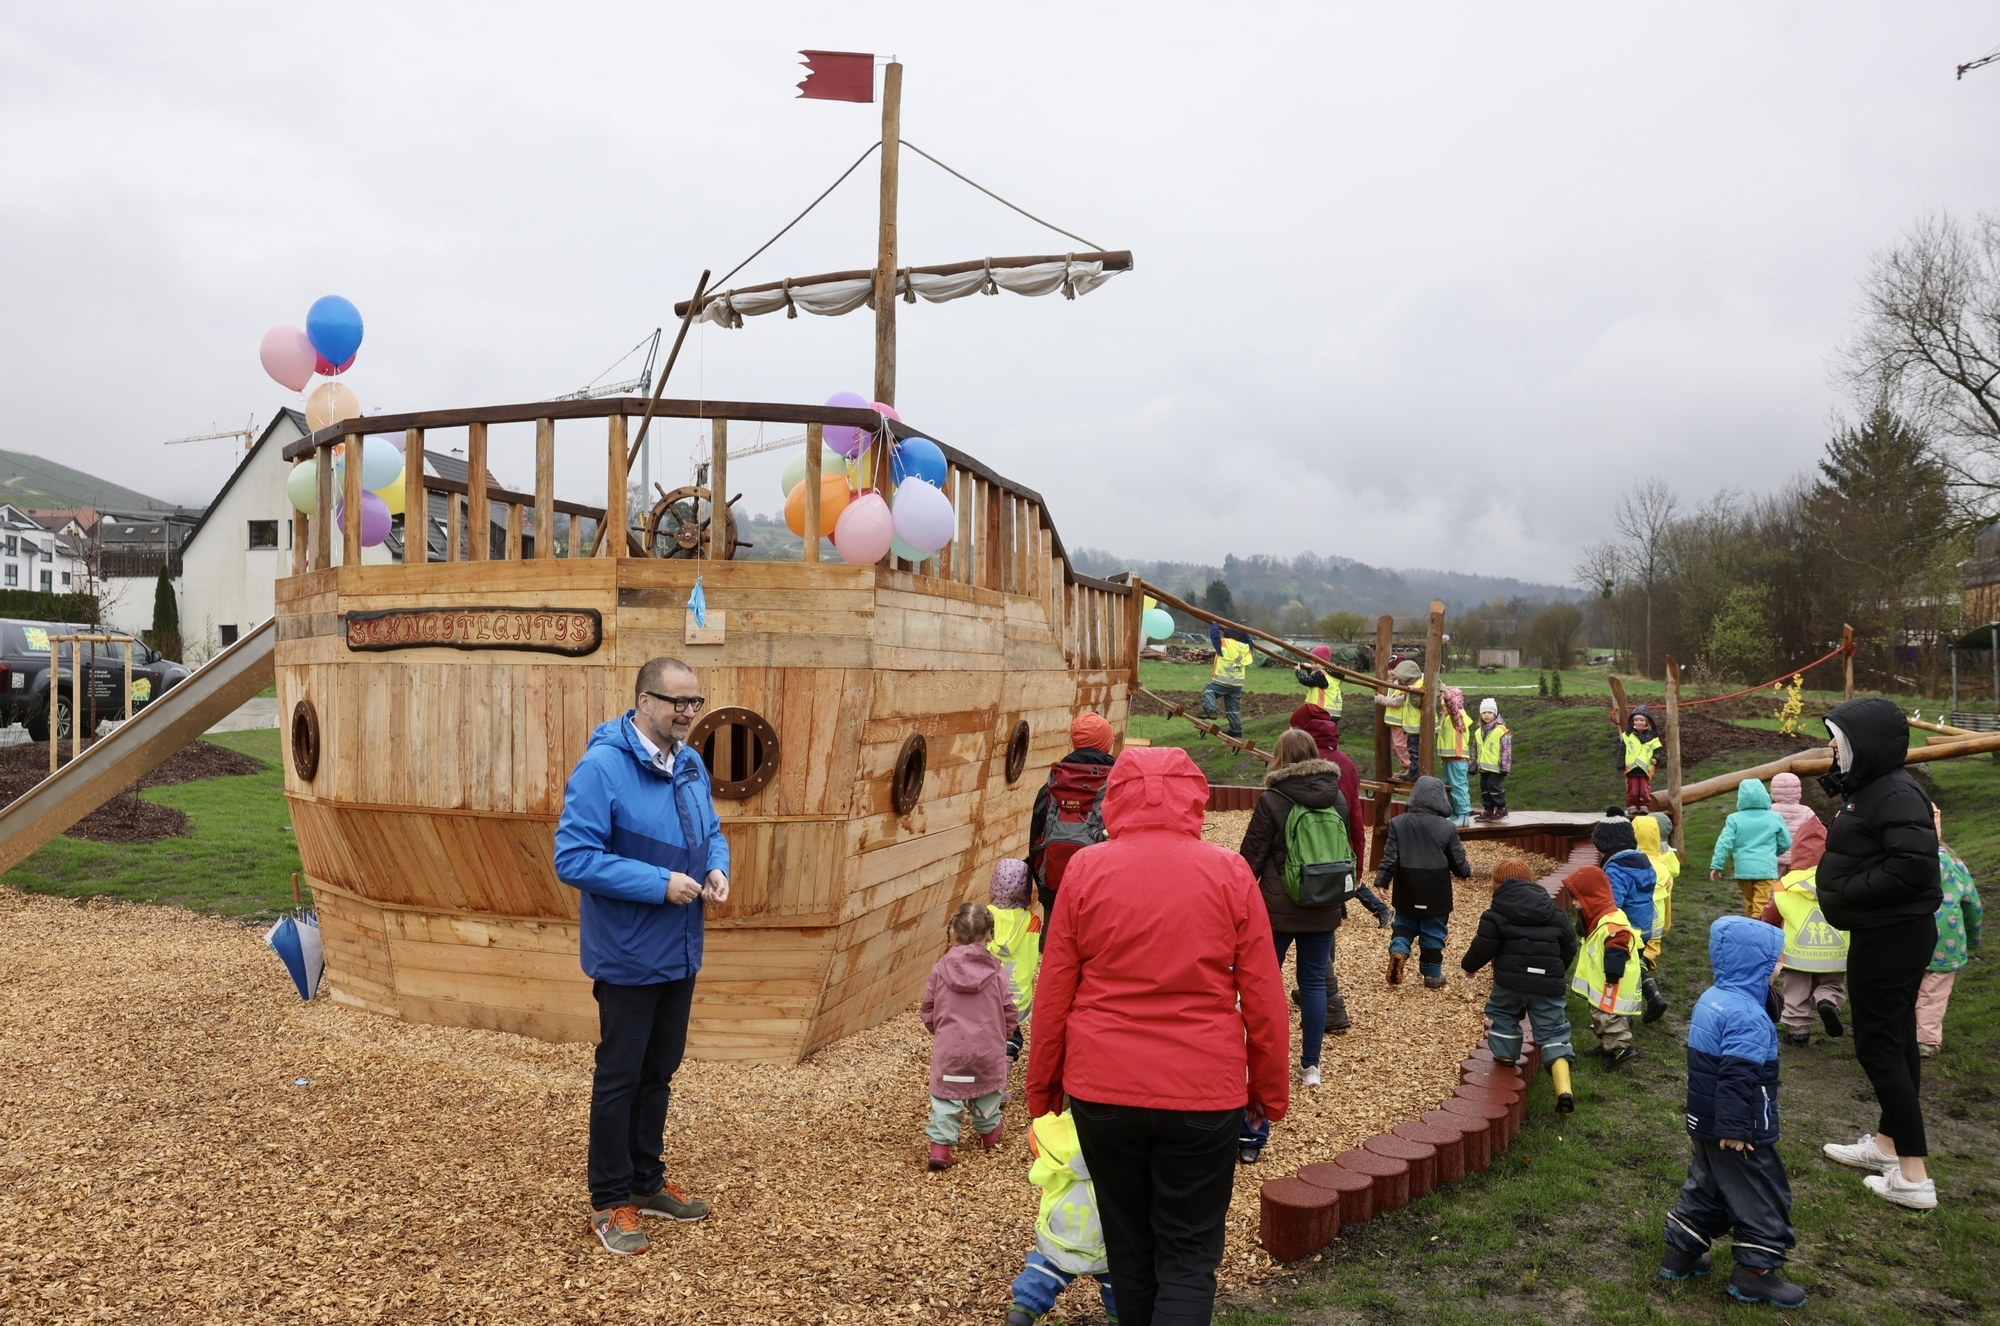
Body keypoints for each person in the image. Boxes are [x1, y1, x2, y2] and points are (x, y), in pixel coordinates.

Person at [1028, 746, 1289, 1326]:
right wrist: (1268, 1092)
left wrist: (1043, 1085)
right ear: (1194, 798)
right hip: (1203, 1089)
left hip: (1104, 1088)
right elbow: (1265, 998)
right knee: (1189, 1255)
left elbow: (1054, 989)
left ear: (1115, 797)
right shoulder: (1229, 872)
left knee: (1129, 1249)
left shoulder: (1086, 870)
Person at [554, 657, 730, 1256]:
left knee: (659, 1071)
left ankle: (646, 1181)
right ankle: (610, 1200)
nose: (687, 712)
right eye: (676, 701)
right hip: (628, 954)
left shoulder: (690, 762)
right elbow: (573, 858)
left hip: (680, 949)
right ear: (643, 702)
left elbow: (712, 831)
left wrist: (716, 867)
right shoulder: (602, 766)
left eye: (694, 702)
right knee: (620, 1077)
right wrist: (659, 882)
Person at [1816, 697, 1942, 1212]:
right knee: (1896, 1039)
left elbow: (1914, 866)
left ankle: (1913, 1176)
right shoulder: (1872, 788)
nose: (1831, 747)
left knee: (1880, 1047)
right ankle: (1889, 1145)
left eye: (1838, 739)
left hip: (1893, 935)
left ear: (1863, 743)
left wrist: (1848, 893)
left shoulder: (1894, 792)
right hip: (1886, 933)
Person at [1658, 916, 1805, 1309]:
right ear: (1754, 963)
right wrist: (1738, 1128)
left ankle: (1681, 1253)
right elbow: (1738, 1075)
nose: (1781, 963)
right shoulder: (1748, 1017)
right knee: (1762, 1192)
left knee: (1707, 1184)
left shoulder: (1712, 998)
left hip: (1706, 1119)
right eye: (1775, 958)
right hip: (1741, 1127)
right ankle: (1756, 1273)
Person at [1239, 728, 1355, 1090]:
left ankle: (1262, 1062)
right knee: (1314, 983)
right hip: (1324, 903)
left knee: (1265, 985)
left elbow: (1250, 859)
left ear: (1280, 756)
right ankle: (1311, 1068)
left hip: (1276, 911)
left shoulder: (1272, 800)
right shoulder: (1337, 798)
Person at [1460, 857, 1578, 1112]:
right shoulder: (1554, 913)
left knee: (1504, 1013)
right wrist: (1557, 971)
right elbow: (1570, 946)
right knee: (1553, 1031)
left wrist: (1469, 966)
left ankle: (1505, 1056)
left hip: (1510, 983)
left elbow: (1483, 946)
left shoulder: (1495, 914)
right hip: (1547, 985)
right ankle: (1563, 1088)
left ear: (1496, 886)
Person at [921, 901, 1017, 1171]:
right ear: (989, 934)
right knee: (986, 1091)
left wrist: (940, 1032)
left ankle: (940, 1148)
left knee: (946, 1098)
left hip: (950, 1049)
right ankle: (989, 1132)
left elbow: (928, 1008)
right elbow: (1009, 1010)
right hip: (986, 1049)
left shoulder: (940, 969)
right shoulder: (997, 972)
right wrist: (1003, 1035)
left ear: (954, 933)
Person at [1005, 1109, 1118, 1326]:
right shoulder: (1118, 1131)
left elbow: (1035, 1155)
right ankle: (1121, 1316)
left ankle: (1023, 1310)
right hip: (1109, 1233)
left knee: (1046, 1267)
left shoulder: (1047, 1128)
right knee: (1121, 1280)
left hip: (1061, 1225)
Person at [1289, 702, 1391, 925]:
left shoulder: (1303, 761)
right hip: (1340, 831)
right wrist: (1358, 857)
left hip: (1314, 831)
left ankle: (1379, 908)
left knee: (1332, 871)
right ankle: (1342, 909)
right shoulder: (1346, 762)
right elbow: (1355, 814)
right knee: (1340, 869)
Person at [1027, 713, 1117, 948]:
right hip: (1104, 895)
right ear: (1106, 743)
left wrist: (1045, 891)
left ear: (1075, 743)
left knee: (1056, 954)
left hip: (1055, 888)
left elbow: (1036, 839)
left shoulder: (1052, 785)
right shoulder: (1118, 786)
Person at [1374, 775, 1471, 989]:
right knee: (1433, 929)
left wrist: (1383, 881)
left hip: (1407, 887)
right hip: (1435, 889)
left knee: (1404, 924)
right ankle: (1432, 974)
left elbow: (1390, 856)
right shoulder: (1446, 827)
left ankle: (1399, 950)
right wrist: (1463, 872)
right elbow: (1456, 857)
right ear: (1441, 800)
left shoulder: (1398, 823)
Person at [1758, 832, 1847, 1047]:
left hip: (1797, 952)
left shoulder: (1786, 884)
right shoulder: (1843, 880)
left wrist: (1764, 926)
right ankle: (1826, 1000)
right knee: (1832, 984)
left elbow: (1770, 915)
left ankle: (1798, 1031)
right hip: (1835, 951)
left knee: (1795, 990)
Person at [1917, 805, 1982, 1058]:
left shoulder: (1899, 862)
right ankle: (1926, 1040)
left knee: (1906, 987)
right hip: (1947, 941)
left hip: (1907, 936)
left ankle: (1902, 1033)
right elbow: (1973, 905)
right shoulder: (1955, 865)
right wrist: (1973, 939)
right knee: (1934, 993)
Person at [1594, 809, 1667, 1023]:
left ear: (1607, 845)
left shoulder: (1615, 870)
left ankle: (1623, 1017)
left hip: (1624, 930)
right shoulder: (1643, 862)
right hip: (1643, 928)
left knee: (1620, 972)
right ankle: (1653, 996)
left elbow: (1613, 905)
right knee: (1633, 966)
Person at [1566, 864, 1642, 1068]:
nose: (1573, 903)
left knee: (1609, 1016)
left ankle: (1621, 1049)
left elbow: (1616, 950)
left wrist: (1612, 976)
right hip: (1603, 981)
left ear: (1589, 897)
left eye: (1576, 899)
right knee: (1600, 1014)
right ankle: (1608, 1044)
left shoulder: (1612, 924)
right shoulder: (1599, 918)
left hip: (1611, 981)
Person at [1708, 779, 1792, 920]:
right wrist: (1772, 853)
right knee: (1761, 904)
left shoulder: (1734, 819)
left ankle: (1750, 925)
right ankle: (1757, 928)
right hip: (1766, 869)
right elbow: (1786, 842)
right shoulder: (1774, 817)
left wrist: (1717, 865)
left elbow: (1723, 842)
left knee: (1750, 900)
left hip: (1743, 870)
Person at [987, 859, 1040, 1061]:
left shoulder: (984, 916)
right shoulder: (1033, 922)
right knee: (1011, 1037)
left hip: (986, 995)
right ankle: (1004, 1071)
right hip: (1017, 997)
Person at [1633, 813, 1681, 967]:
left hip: (1637, 915)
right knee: (1654, 938)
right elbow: (1675, 872)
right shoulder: (1663, 861)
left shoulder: (1630, 862)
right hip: (1658, 913)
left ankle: (1636, 958)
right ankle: (1647, 958)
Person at [1201, 622, 1254, 738]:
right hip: (1237, 685)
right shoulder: (1246, 648)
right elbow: (1250, 642)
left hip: (1223, 681)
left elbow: (1214, 636)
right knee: (1232, 708)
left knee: (1208, 689)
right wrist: (1245, 632)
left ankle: (1211, 710)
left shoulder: (1223, 644)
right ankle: (1236, 731)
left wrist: (1215, 624)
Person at [1374, 658, 1424, 780]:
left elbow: (1399, 701)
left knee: (1401, 746)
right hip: (1395, 721)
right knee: (1397, 747)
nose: (1391, 672)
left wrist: (1382, 699)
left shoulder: (1403, 684)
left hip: (1401, 722)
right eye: (1389, 669)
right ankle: (1406, 767)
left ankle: (1409, 767)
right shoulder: (1393, 683)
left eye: (1394, 669)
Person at [1768, 772, 1825, 874]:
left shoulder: (1769, 811)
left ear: (1773, 791)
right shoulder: (1806, 811)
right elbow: (1820, 833)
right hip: (1798, 861)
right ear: (1798, 790)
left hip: (1774, 861)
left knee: (1775, 884)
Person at [1436, 686, 1473, 827]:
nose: (1442, 702)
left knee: (1458, 786)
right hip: (1449, 759)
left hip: (1458, 758)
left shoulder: (1458, 716)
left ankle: (1463, 815)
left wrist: (1447, 695)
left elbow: (1453, 709)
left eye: (1444, 700)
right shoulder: (1446, 718)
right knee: (1448, 787)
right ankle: (1453, 814)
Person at [1616, 706, 1664, 813]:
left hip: (1645, 768)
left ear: (1648, 722)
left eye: (1642, 720)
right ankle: (1632, 805)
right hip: (1632, 768)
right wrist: (1620, 762)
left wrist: (1656, 758)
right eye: (1636, 720)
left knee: (1644, 789)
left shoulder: (1653, 737)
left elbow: (1659, 750)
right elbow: (1622, 750)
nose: (1638, 722)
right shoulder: (1627, 736)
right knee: (1632, 788)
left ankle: (1644, 805)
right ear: (1632, 721)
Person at [1472, 697, 1512, 822]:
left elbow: (1506, 749)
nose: (1486, 715)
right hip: (1484, 767)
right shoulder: (1478, 732)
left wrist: (1504, 766)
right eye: (1484, 712)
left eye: (1490, 712)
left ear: (1495, 714)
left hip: (1497, 767)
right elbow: (1475, 749)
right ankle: (1488, 810)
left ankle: (1501, 808)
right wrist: (1473, 765)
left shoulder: (1501, 730)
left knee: (1494, 787)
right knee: (1484, 788)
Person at [1294, 643, 1343, 712]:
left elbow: (1306, 680)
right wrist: (1309, 669)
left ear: (1324, 663)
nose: (1313, 666)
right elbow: (1315, 681)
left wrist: (1298, 671)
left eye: (1315, 663)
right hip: (1333, 711)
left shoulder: (1321, 675)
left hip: (1322, 712)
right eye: (1311, 663)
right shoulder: (1330, 674)